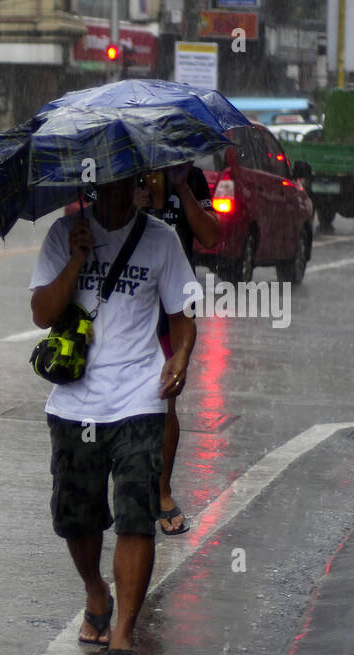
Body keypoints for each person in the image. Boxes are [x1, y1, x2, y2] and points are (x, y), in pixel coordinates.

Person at [28, 176, 198, 655]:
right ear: (95, 186)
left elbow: (183, 314)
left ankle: (123, 632)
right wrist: (77, 262)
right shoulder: (64, 235)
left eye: (130, 185)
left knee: (135, 513)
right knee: (76, 518)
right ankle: (95, 590)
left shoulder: (161, 240)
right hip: (74, 400)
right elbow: (41, 313)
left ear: (141, 185)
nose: (120, 196)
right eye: (110, 187)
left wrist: (182, 356)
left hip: (139, 397)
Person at [134, 163, 219, 535]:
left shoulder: (192, 176)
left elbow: (211, 236)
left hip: (172, 304)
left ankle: (162, 490)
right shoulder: (124, 167)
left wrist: (182, 190)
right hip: (128, 299)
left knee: (166, 398)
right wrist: (137, 200)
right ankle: (122, 481)